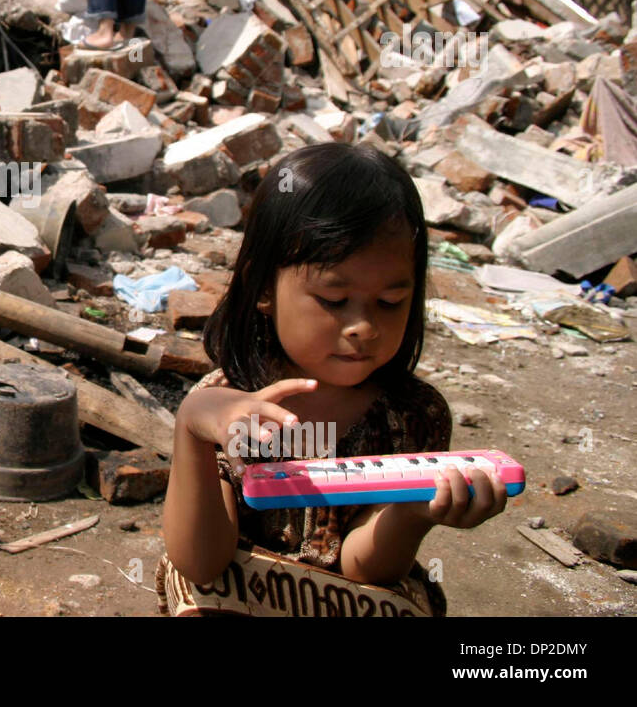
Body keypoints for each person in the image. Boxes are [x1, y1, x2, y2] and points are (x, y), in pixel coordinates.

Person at [161, 143, 509, 616]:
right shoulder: (230, 404)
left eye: (390, 302)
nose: (363, 327)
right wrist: (192, 425)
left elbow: (364, 571)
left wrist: (413, 511)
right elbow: (199, 565)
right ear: (264, 288)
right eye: (333, 297)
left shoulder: (411, 417)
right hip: (241, 592)